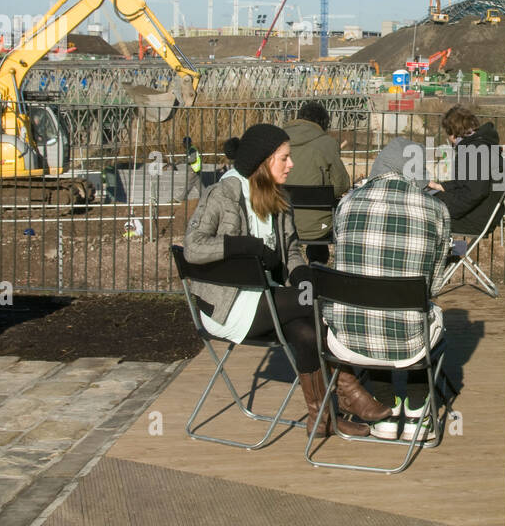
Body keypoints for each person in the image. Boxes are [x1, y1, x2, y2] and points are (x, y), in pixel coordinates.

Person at [183, 124, 391, 437]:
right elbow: (192, 246)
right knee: (316, 304)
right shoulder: (223, 193)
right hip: (228, 304)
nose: (291, 164)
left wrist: (300, 273)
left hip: (268, 298)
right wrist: (242, 246)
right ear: (263, 161)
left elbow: (292, 248)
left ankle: (322, 419)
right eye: (284, 158)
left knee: (307, 332)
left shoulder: (278, 197)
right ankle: (350, 391)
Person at [327, 137, 451, 442]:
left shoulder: (346, 204)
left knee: (371, 304)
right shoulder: (436, 211)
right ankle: (417, 410)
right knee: (419, 314)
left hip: (347, 338)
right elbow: (432, 286)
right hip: (407, 341)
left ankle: (385, 406)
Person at [282, 101, 351, 264]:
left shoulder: (277, 138)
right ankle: (318, 267)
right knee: (321, 217)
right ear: (322, 123)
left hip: (282, 222)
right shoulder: (326, 143)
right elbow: (342, 185)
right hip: (318, 228)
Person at [428, 106, 505, 235]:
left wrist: (445, 210)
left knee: (420, 215)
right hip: (479, 213)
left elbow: (475, 193)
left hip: (474, 220)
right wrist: (439, 186)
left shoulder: (475, 151)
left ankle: (440, 254)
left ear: (453, 133)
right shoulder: (480, 145)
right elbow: (466, 182)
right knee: (427, 203)